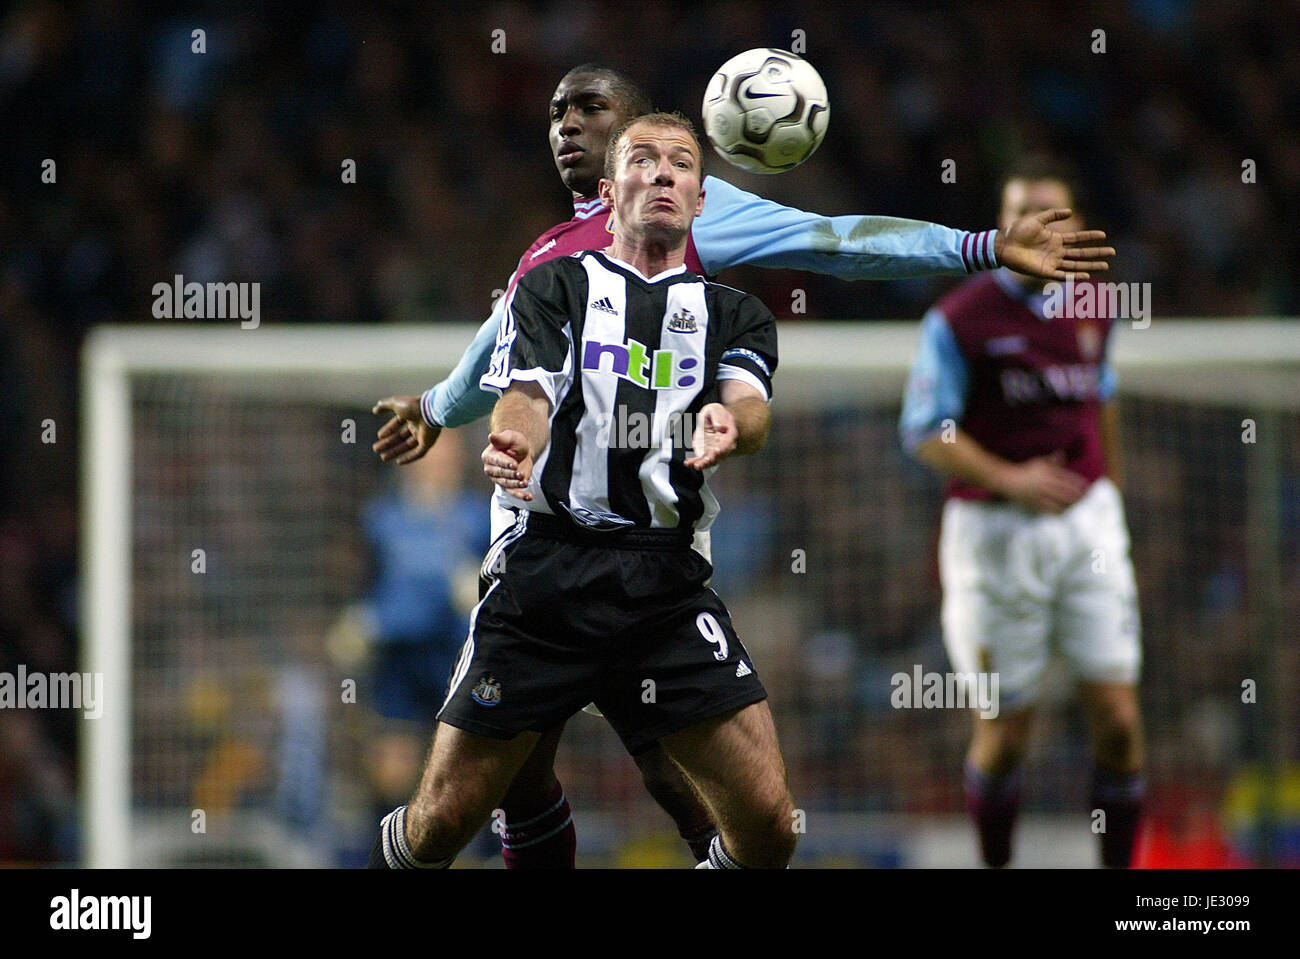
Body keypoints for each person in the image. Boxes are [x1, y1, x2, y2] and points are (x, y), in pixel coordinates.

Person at [372, 64, 1115, 868]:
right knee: (500, 789)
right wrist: (439, 408)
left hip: (652, 559)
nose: (566, 126)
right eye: (556, 112)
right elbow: (502, 351)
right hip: (539, 543)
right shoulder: (548, 263)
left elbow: (838, 241)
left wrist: (979, 247)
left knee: (691, 777)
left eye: (590, 109)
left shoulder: (699, 223)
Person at [372, 111, 795, 870]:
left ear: (701, 200)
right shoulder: (553, 286)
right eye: (643, 159)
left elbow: (751, 402)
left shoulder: (739, 315)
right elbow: (526, 390)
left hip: (666, 587)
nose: (663, 172)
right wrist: (513, 440)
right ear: (607, 192)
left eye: (681, 163)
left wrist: (734, 424)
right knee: (440, 821)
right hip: (547, 578)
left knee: (768, 824)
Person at [898, 157, 1143, 868]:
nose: (1039, 225)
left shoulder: (1095, 303)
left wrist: (1111, 498)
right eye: (1023, 212)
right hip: (995, 534)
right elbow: (924, 431)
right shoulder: (959, 318)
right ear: (1003, 226)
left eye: (1054, 213)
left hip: (1087, 527)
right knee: (1006, 735)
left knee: (1121, 723)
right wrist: (1011, 476)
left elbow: (1102, 397)